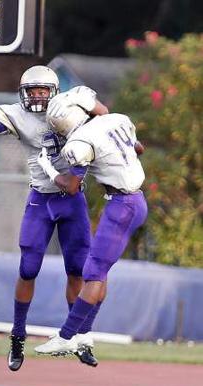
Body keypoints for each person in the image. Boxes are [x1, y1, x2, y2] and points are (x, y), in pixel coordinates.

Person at [0, 65, 108, 370]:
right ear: (23, 93)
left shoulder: (71, 107)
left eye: (42, 91)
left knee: (78, 271)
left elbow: (105, 120)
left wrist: (95, 110)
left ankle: (79, 336)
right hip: (41, 199)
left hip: (73, 200)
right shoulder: (15, 114)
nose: (37, 96)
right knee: (28, 269)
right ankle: (18, 336)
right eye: (32, 91)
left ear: (54, 93)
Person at [34, 94, 147, 356]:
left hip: (123, 206)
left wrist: (49, 169)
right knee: (99, 269)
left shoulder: (80, 142)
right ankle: (83, 334)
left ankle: (67, 336)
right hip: (135, 202)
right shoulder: (116, 119)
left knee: (94, 272)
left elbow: (72, 187)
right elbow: (138, 148)